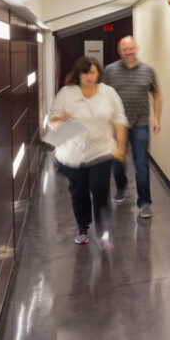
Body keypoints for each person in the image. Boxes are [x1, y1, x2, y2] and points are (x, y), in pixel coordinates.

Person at [48, 56, 127, 245]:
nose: (89, 76)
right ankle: (83, 225)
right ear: (78, 74)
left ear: (98, 73)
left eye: (92, 72)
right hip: (72, 155)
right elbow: (52, 121)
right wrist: (63, 120)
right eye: (85, 72)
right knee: (79, 193)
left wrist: (122, 146)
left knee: (100, 189)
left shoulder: (109, 93)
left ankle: (103, 229)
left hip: (101, 150)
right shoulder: (67, 93)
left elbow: (120, 119)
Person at [105, 36, 162, 219]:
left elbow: (157, 95)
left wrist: (157, 119)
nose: (128, 52)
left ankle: (144, 202)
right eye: (124, 49)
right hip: (117, 125)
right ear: (119, 51)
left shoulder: (148, 71)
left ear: (136, 49)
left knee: (141, 164)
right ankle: (121, 186)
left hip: (141, 124)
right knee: (117, 161)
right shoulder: (110, 71)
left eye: (131, 49)